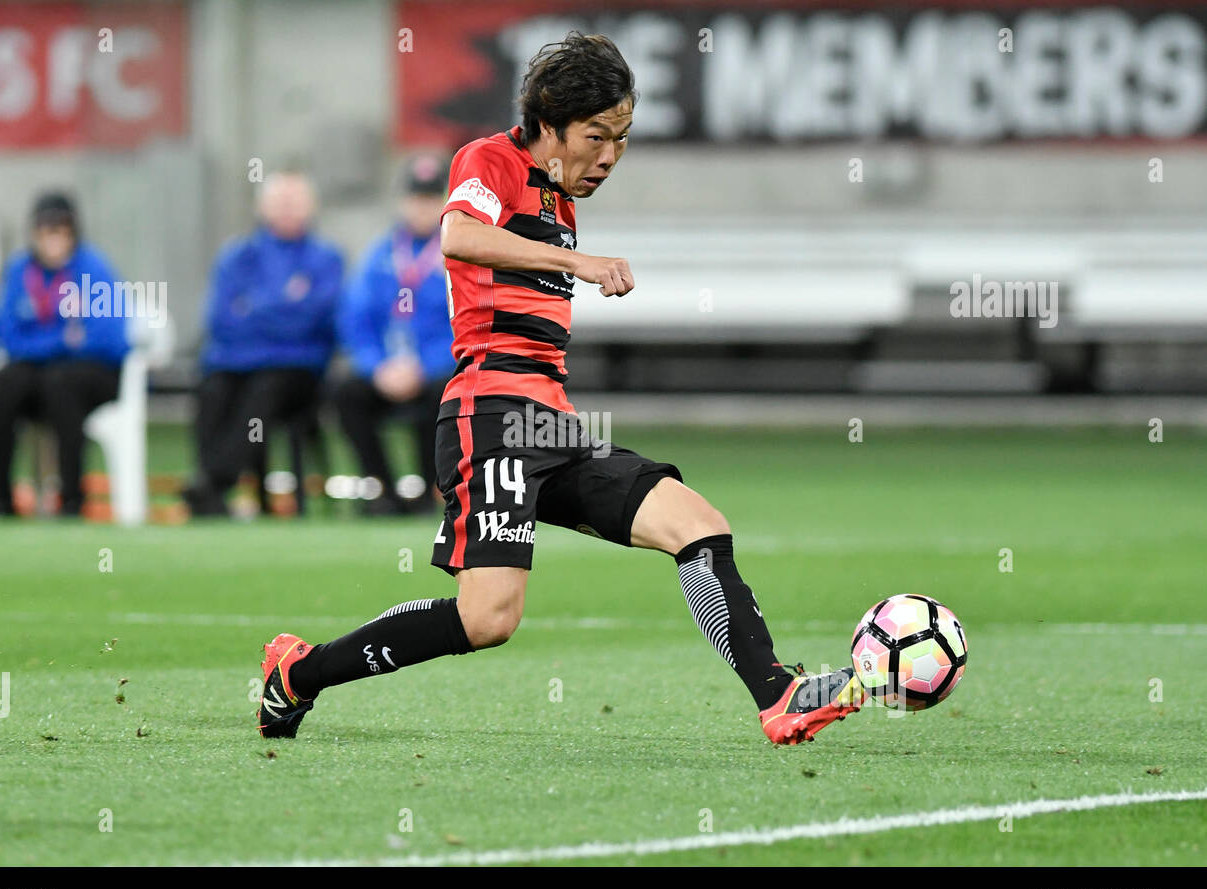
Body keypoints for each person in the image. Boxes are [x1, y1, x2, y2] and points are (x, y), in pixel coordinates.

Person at [257, 32, 864, 747]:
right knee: (488, 620)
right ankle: (297, 675)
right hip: (492, 418)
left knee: (698, 526)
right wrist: (575, 263)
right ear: (549, 123)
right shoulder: (491, 160)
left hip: (550, 425)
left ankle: (778, 695)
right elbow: (457, 236)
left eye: (623, 137)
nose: (610, 155)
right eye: (596, 135)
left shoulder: (557, 200)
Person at [183, 172, 343, 516]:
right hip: (235, 363)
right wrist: (285, 306)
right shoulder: (236, 256)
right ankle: (209, 485)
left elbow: (318, 320)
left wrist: (254, 309)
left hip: (297, 371)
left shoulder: (326, 259)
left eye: (294, 201)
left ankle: (213, 483)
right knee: (212, 390)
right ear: (261, 207)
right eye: (279, 201)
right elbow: (220, 321)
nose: (286, 209)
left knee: (265, 389)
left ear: (310, 207)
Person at [0, 193, 128, 517]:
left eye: (60, 230)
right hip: (39, 371)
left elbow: (111, 338)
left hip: (90, 376)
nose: (53, 239)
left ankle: (73, 497)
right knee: (1, 383)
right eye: (45, 230)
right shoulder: (20, 270)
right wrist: (62, 339)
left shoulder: (94, 268)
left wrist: (50, 342)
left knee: (62, 383)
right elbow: (7, 336)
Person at [334, 154, 456, 515]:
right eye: (416, 199)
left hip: (432, 372)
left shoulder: (457, 254)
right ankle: (383, 488)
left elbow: (465, 323)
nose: (422, 208)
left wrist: (425, 366)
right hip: (387, 370)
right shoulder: (379, 255)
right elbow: (356, 321)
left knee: (444, 393)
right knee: (345, 393)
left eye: (431, 199)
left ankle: (426, 491)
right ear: (403, 202)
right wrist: (378, 367)